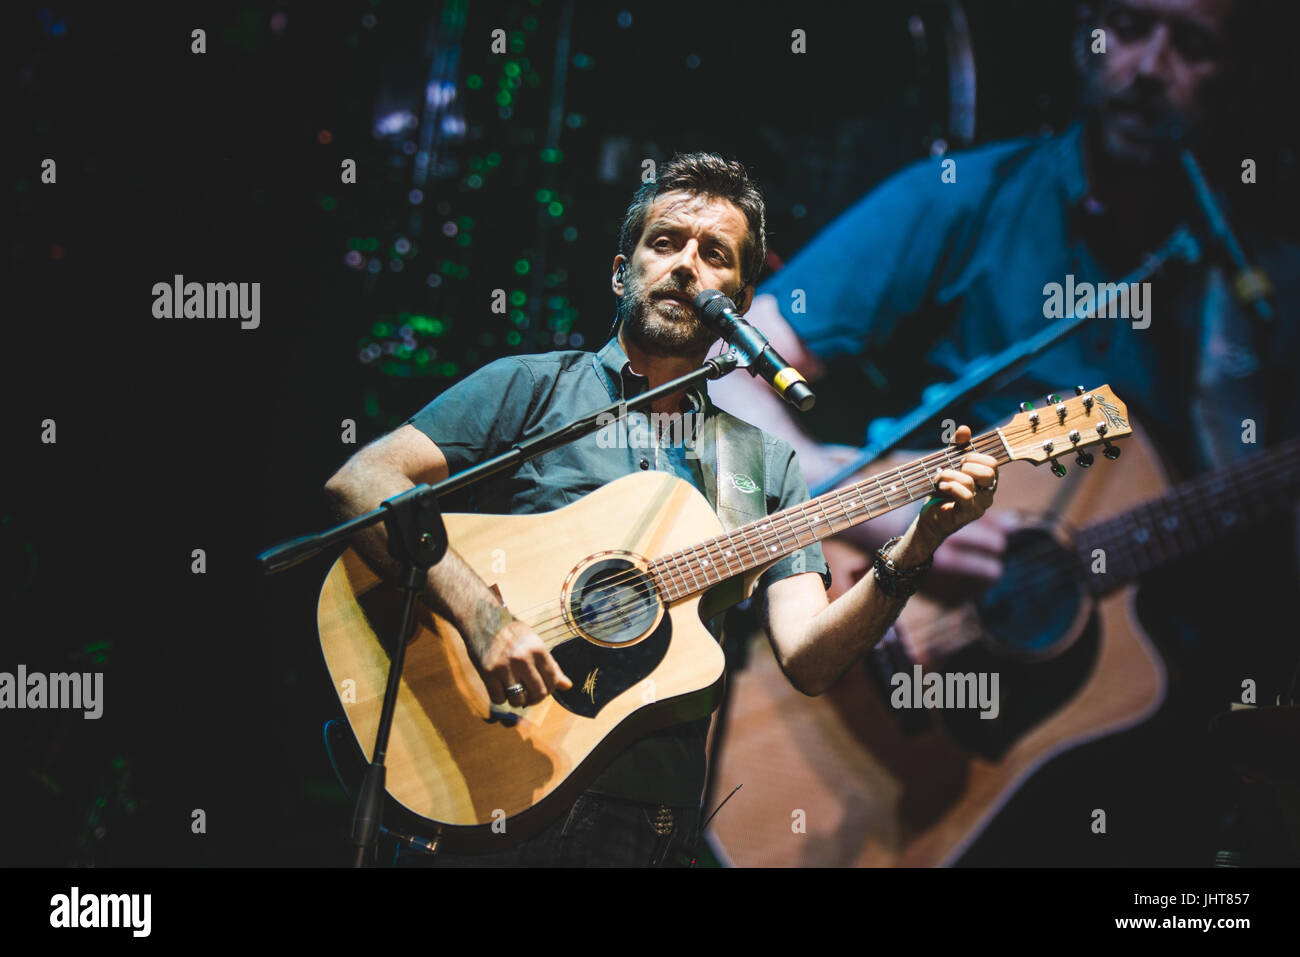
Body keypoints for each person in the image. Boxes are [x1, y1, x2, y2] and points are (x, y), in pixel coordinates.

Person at [709, 0, 1300, 863]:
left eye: (1194, 43)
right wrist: (887, 520)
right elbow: (724, 381)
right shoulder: (969, 197)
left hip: (1150, 768)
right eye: (1132, 25)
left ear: (1238, 75)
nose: (1149, 64)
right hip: (891, 670)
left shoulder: (1256, 282)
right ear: (1084, 37)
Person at [324, 152, 1000, 866]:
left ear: (738, 306)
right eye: (666, 242)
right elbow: (362, 484)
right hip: (487, 790)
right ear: (623, 273)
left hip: (647, 830)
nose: (686, 265)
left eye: (714, 254)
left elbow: (808, 657)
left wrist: (916, 544)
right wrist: (483, 617)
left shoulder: (767, 464)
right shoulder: (530, 390)